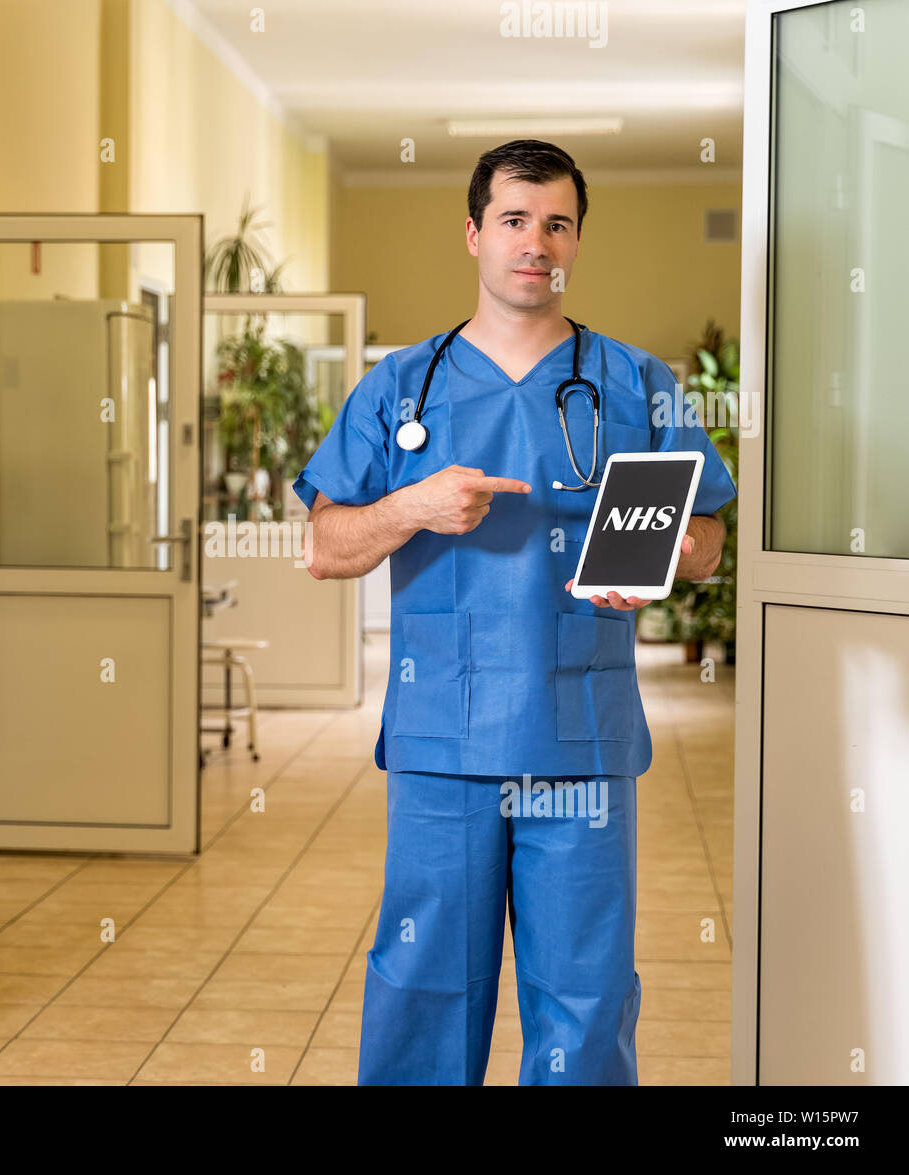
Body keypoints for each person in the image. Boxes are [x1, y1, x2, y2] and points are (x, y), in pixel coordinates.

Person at [291, 140, 737, 1086]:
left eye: (557, 223)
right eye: (514, 220)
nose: (536, 242)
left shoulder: (640, 385)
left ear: (575, 240)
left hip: (578, 741)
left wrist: (666, 558)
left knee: (584, 992)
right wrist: (414, 504)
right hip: (441, 745)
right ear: (474, 233)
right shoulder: (399, 387)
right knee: (422, 986)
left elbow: (707, 539)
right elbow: (325, 546)